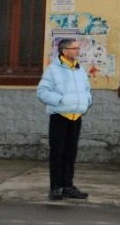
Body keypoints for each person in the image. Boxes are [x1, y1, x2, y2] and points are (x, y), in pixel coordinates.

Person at [36, 38, 93, 201]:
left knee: (71, 153)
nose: (77, 51)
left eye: (78, 48)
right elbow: (42, 92)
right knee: (57, 153)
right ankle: (55, 187)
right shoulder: (53, 70)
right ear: (64, 50)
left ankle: (68, 185)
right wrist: (60, 100)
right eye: (74, 48)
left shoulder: (80, 70)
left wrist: (87, 100)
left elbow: (87, 89)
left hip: (76, 116)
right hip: (60, 116)